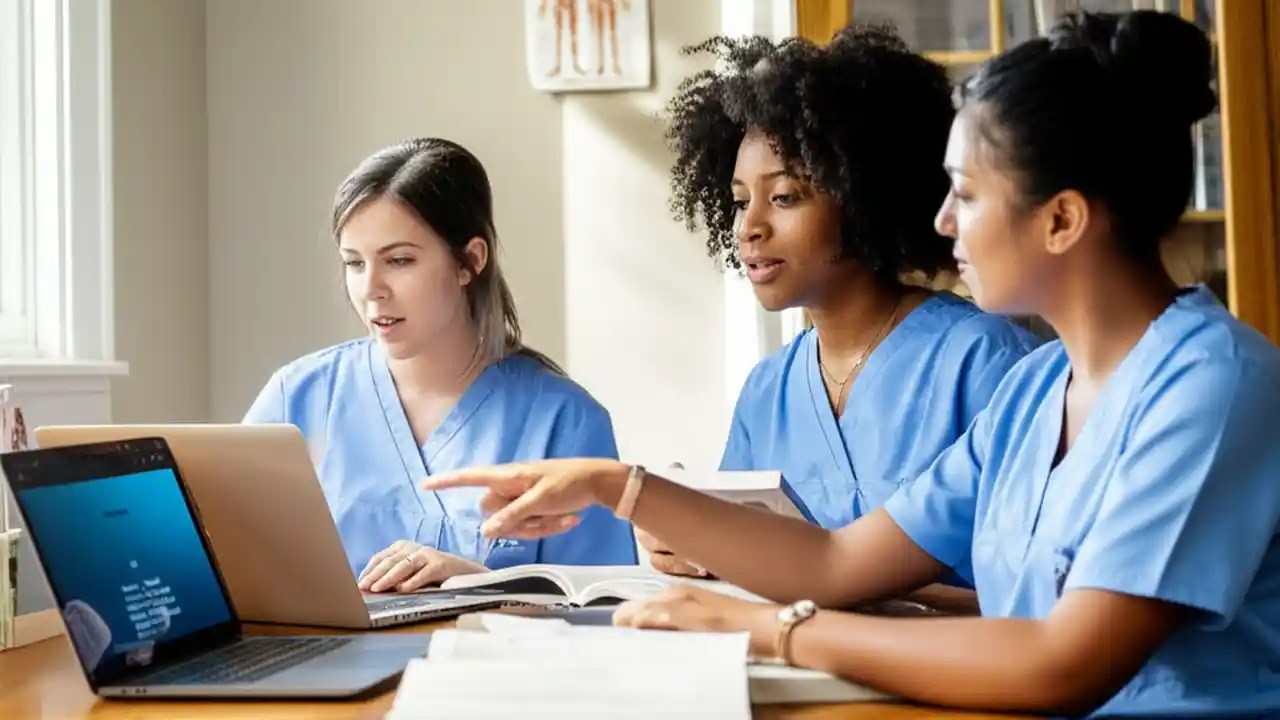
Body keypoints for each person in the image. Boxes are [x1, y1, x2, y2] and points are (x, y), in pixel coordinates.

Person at [424, 12, 1280, 717]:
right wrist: (617, 485)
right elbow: (836, 562)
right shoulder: (1033, 392)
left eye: (968, 194)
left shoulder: (1211, 387)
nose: (942, 223)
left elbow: (1062, 664)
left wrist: (767, 630)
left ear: (1060, 221)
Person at [639, 26, 1037, 600]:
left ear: (861, 197)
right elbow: (741, 567)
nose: (749, 227)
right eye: (739, 201)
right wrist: (688, 540)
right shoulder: (766, 392)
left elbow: (1038, 606)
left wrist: (835, 579)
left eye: (784, 198)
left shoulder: (987, 364)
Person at [244, 138, 635, 593]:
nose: (371, 289)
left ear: (470, 260)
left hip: (491, 663)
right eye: (354, 263)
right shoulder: (298, 396)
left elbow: (606, 615)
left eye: (400, 260)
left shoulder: (564, 423)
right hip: (317, 662)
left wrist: (483, 587)